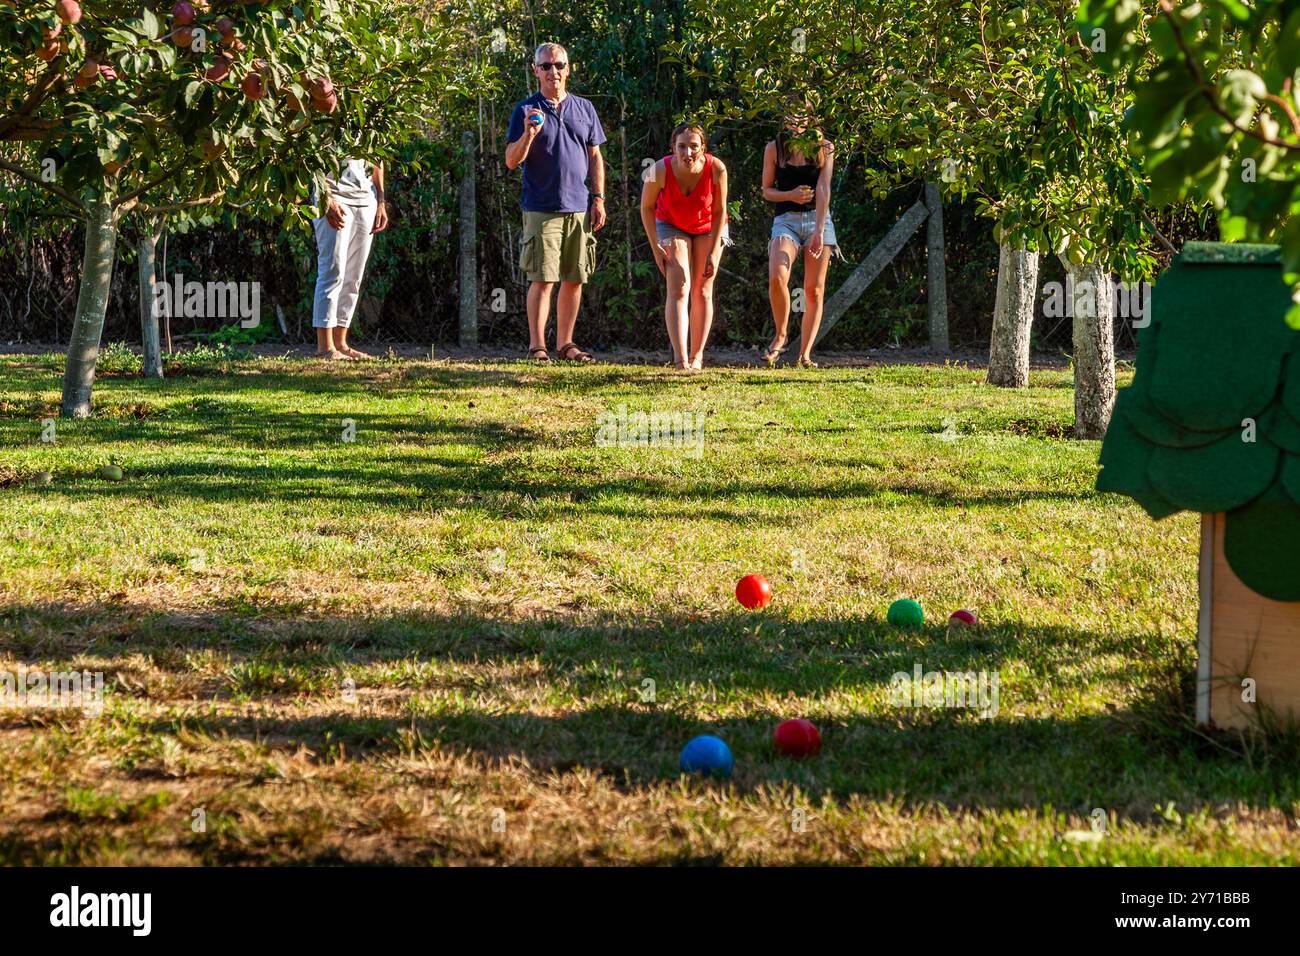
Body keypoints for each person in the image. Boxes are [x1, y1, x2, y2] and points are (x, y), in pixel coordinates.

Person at [504, 42, 607, 362]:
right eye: (546, 66)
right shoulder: (525, 109)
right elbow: (511, 160)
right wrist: (528, 134)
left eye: (559, 65)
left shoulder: (585, 108)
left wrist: (598, 198)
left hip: (579, 207)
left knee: (575, 279)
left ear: (568, 69)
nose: (553, 71)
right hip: (541, 207)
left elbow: (595, 157)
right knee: (543, 279)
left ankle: (566, 344)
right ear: (536, 71)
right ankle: (537, 347)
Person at [640, 124, 729, 371]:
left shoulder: (717, 168)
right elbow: (646, 207)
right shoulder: (657, 169)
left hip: (709, 226)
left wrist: (713, 252)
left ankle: (697, 357)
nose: (687, 153)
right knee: (679, 285)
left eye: (693, 146)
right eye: (681, 146)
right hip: (671, 224)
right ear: (673, 148)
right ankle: (680, 360)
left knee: (702, 289)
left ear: (703, 148)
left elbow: (720, 210)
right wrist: (656, 247)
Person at [761, 107, 838, 368]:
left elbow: (824, 188)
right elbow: (766, 191)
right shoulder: (774, 148)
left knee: (813, 290)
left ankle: (805, 355)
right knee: (777, 276)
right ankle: (781, 335)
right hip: (786, 220)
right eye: (791, 116)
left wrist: (819, 231)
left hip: (819, 219)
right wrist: (790, 195)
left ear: (811, 117)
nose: (796, 121)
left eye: (801, 115)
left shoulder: (825, 147)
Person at [312, 158, 388, 359]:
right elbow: (308, 157)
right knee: (332, 272)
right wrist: (325, 198)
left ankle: (341, 344)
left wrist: (380, 201)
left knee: (353, 278)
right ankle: (325, 347)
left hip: (366, 201)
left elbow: (378, 158)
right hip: (334, 198)